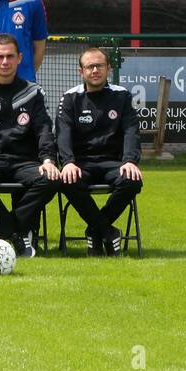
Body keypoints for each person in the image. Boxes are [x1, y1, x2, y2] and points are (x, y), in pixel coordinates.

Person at [0, 34, 60, 258]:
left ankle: (5, 230)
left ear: (19, 58)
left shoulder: (34, 93)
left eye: (10, 56)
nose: (5, 62)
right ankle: (17, 234)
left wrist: (48, 160)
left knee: (52, 179)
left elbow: (44, 130)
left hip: (25, 162)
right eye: (0, 57)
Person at [56, 47, 143, 255]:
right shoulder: (70, 98)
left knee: (132, 181)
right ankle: (107, 231)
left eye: (99, 65)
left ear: (108, 68)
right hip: (81, 164)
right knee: (66, 180)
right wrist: (67, 162)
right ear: (81, 71)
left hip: (114, 163)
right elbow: (62, 133)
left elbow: (132, 131)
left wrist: (130, 160)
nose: (95, 70)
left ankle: (95, 230)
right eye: (90, 66)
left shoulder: (122, 96)